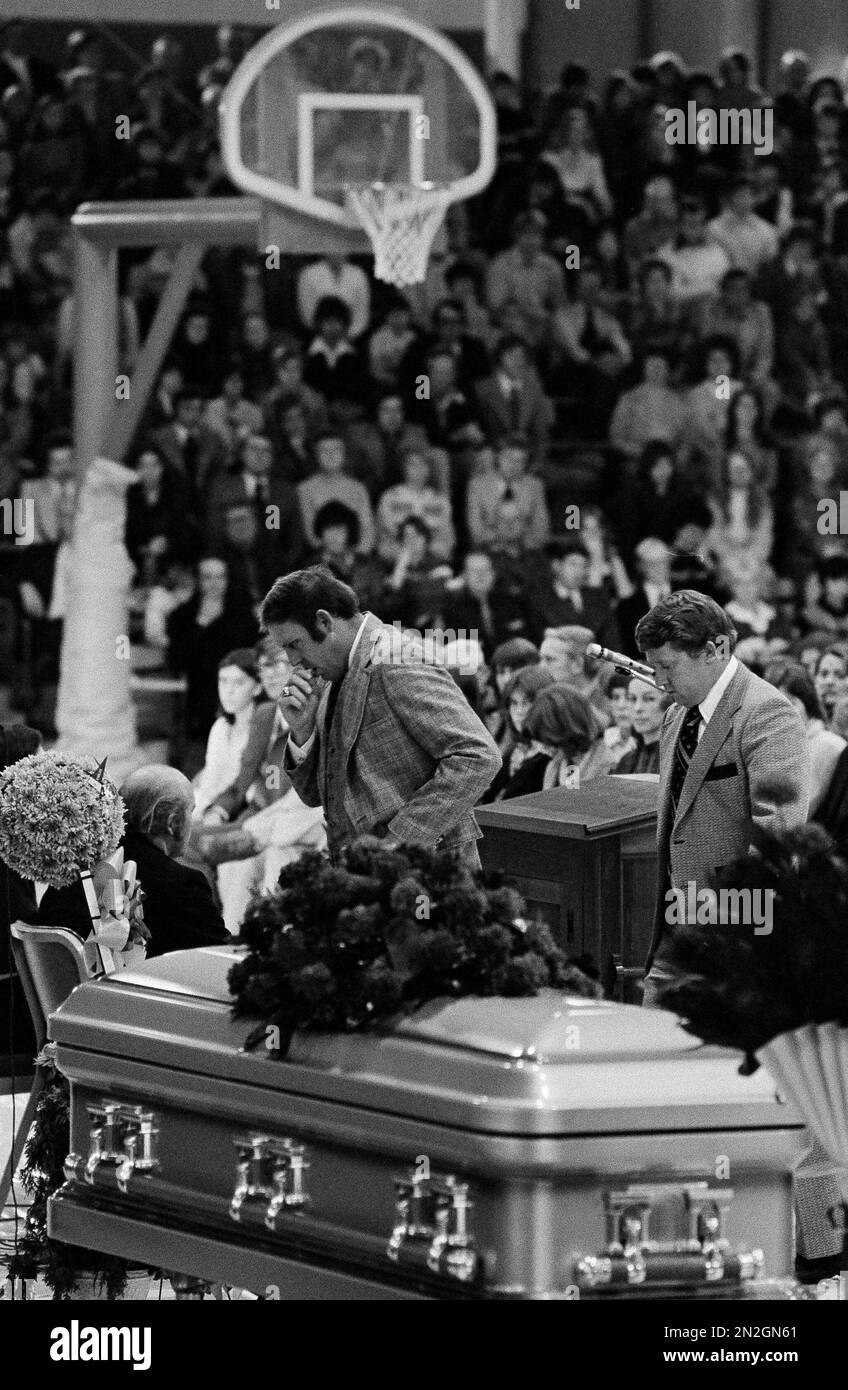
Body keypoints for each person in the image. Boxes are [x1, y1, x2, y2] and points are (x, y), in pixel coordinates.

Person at [634, 590, 810, 1008]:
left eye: (667, 667)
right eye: (654, 667)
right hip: (678, 926)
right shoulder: (677, 714)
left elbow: (779, 838)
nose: (659, 681)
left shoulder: (767, 713)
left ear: (717, 649)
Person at [264, 566, 501, 867]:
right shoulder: (327, 673)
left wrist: (398, 843)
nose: (293, 660)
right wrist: (302, 732)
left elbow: (478, 756)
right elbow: (315, 796)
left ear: (324, 622)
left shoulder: (395, 659)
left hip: (429, 879)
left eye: (294, 644)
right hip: (365, 880)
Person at [39, 766, 228, 954]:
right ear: (173, 822)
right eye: (191, 812)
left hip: (78, 984)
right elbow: (220, 958)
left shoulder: (74, 869)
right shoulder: (183, 885)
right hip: (138, 983)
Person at [192, 649, 262, 818]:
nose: (228, 691)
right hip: (206, 805)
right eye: (223, 681)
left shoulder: (261, 729)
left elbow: (249, 786)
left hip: (240, 810)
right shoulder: (221, 726)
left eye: (238, 683)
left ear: (257, 687)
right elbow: (209, 778)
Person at [772, 663, 846, 818]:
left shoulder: (827, 745)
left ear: (808, 703)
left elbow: (804, 809)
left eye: (790, 703)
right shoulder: (781, 746)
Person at [610, 676, 672, 776]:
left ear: (668, 702)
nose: (638, 708)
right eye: (632, 699)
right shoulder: (626, 761)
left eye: (649, 699)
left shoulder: (675, 758)